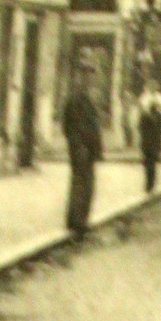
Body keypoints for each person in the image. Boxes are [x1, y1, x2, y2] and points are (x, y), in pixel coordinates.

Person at [60, 68, 103, 237]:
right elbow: (70, 127)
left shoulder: (85, 99)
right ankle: (78, 222)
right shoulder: (77, 100)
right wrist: (78, 146)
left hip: (86, 149)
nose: (88, 81)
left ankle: (77, 220)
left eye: (90, 77)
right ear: (80, 79)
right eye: (85, 78)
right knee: (82, 185)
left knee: (82, 184)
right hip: (81, 149)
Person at [135, 82, 161, 194]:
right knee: (150, 163)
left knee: (150, 163)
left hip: (151, 141)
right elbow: (140, 121)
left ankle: (150, 184)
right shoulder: (144, 99)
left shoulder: (159, 100)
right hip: (149, 141)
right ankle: (149, 184)